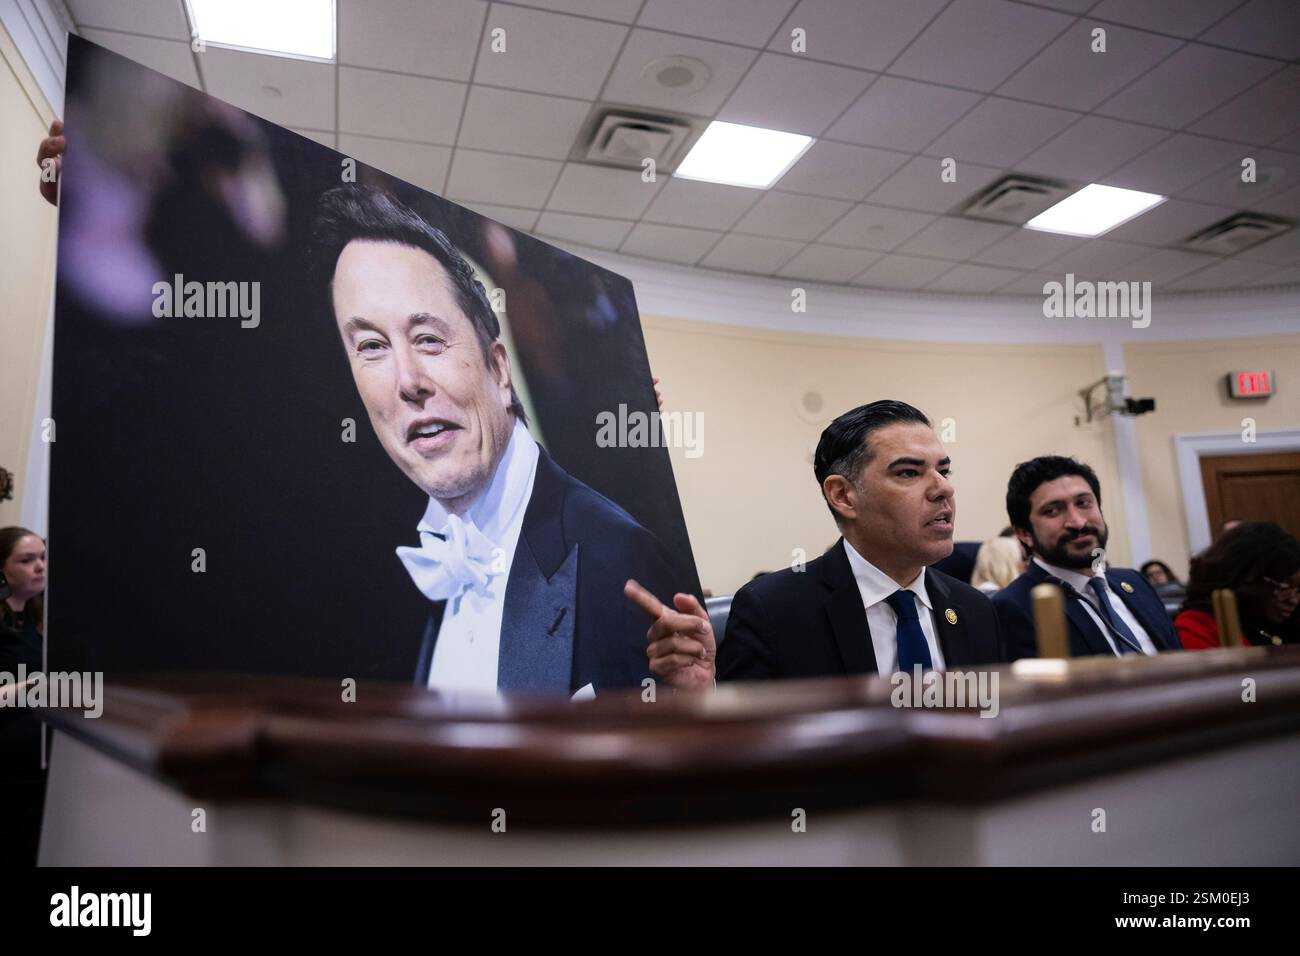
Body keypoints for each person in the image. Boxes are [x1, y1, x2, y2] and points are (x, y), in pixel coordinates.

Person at [310, 185, 686, 695]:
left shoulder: (617, 559)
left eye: (428, 338)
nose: (407, 380)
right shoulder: (414, 573)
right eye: (372, 346)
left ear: (499, 369)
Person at [630, 400, 1003, 688]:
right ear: (843, 495)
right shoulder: (772, 612)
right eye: (909, 472)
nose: (944, 488)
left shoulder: (974, 610)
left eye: (944, 470)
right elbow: (744, 763)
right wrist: (703, 696)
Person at [993, 456, 1181, 660]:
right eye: (1053, 510)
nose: (1078, 522)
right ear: (1024, 534)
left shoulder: (1135, 582)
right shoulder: (1012, 608)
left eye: (1083, 503)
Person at [1, 527, 48, 866]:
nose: (40, 567)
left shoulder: (33, 623)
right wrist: (36, 687)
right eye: (27, 560)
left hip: (39, 772)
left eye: (43, 558)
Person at [1175, 522, 1300, 649]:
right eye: (1285, 587)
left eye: (1298, 589)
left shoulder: (1286, 621)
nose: (1294, 600)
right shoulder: (1197, 628)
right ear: (1247, 578)